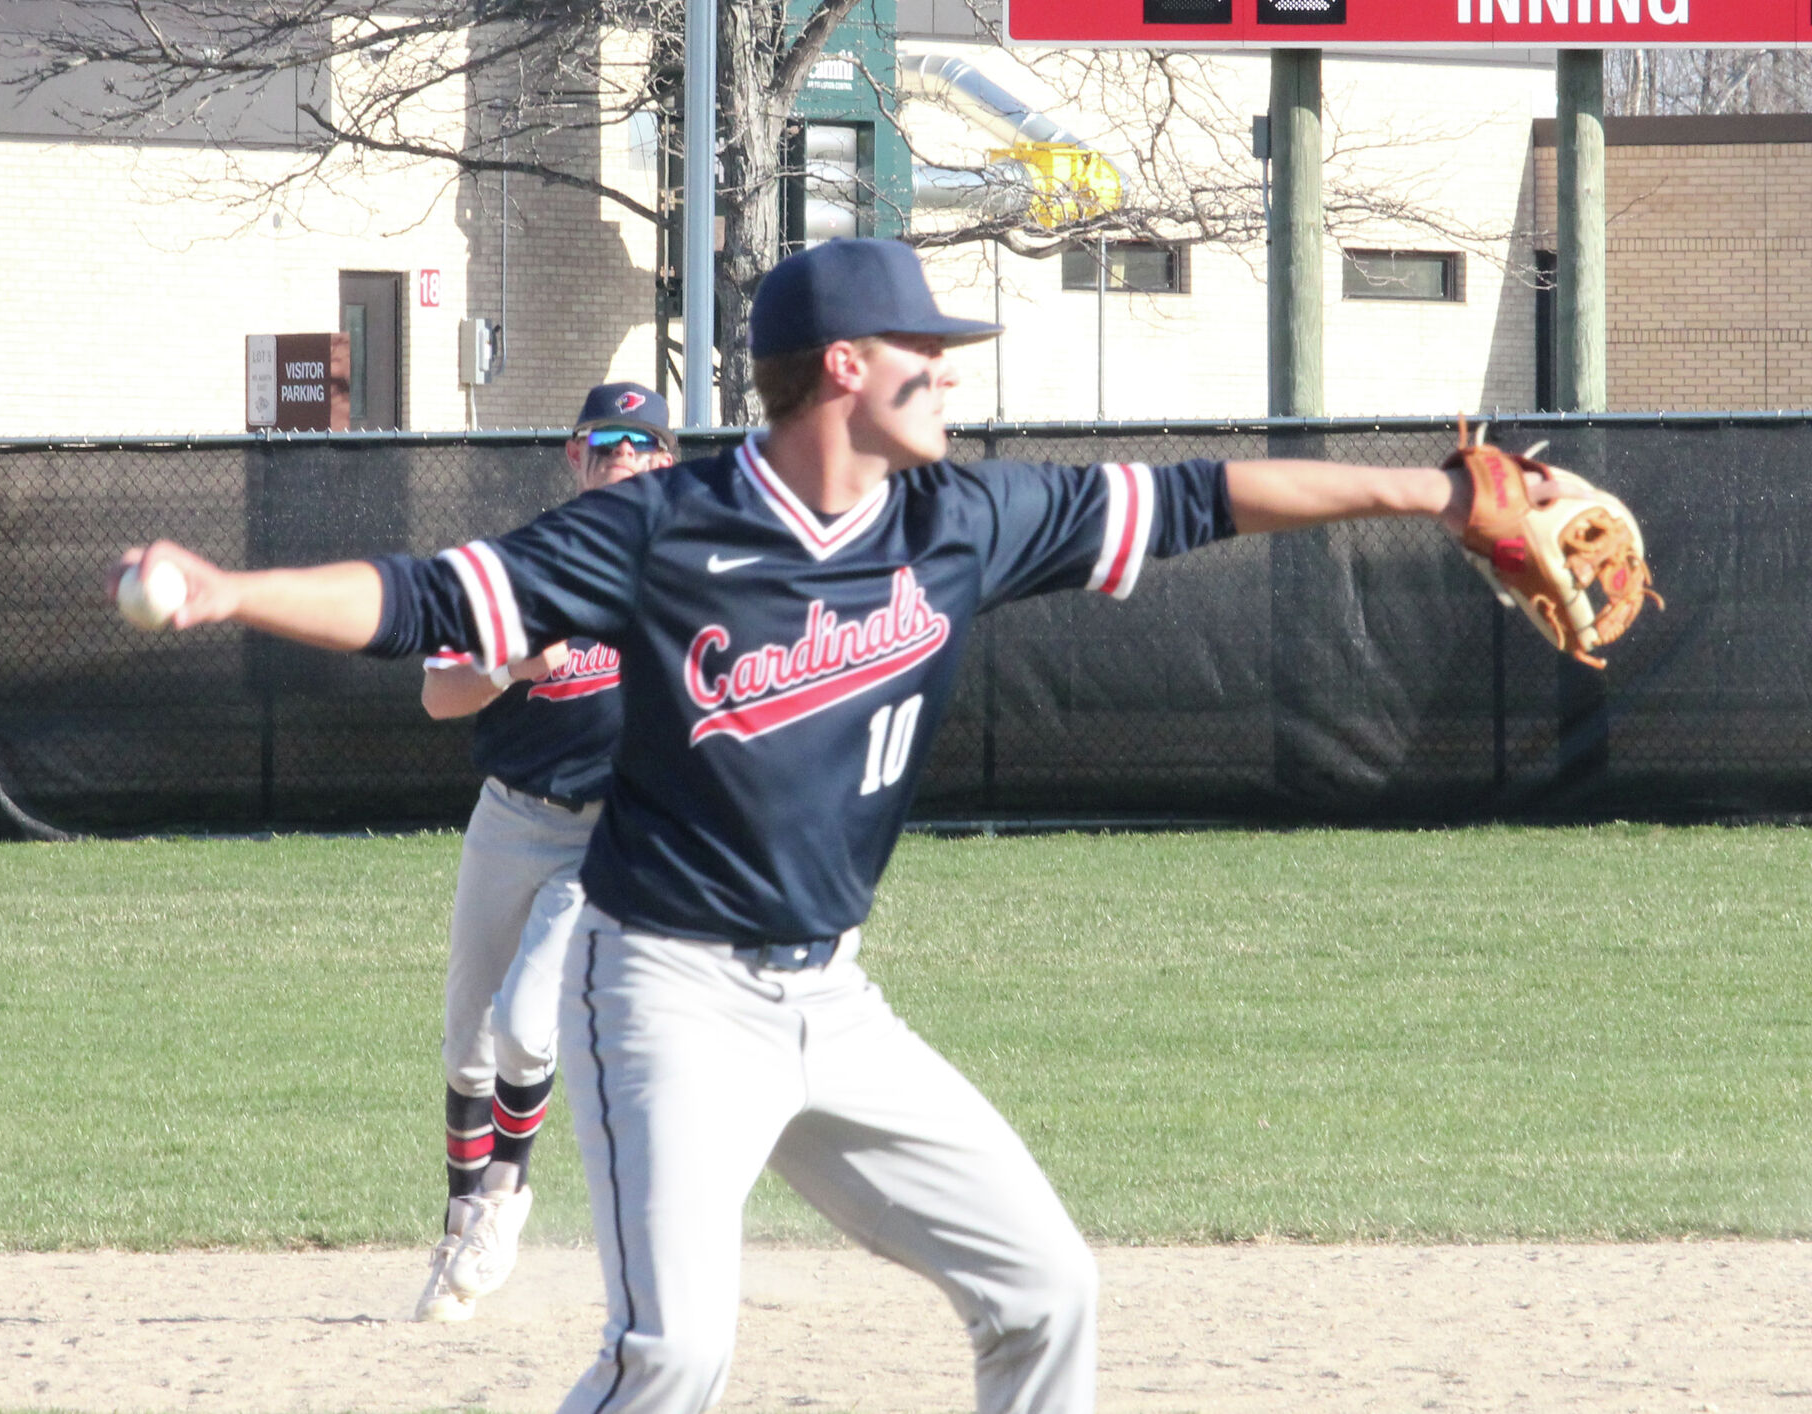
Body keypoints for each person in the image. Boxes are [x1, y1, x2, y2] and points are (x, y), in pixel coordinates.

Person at [114, 238, 1547, 1413]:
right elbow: (427, 599)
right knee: (671, 1356)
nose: (950, 374)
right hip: (665, 996)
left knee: (1047, 1291)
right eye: (926, 350)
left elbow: (1194, 499)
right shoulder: (658, 529)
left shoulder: (958, 520)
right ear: (846, 367)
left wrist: (1435, 493)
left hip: (837, 1003)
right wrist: (232, 592)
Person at [412, 383, 676, 1322]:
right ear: (575, 456)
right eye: (607, 441)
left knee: (529, 1025)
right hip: (508, 816)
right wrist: (511, 666)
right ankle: (459, 1225)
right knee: (467, 1048)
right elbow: (438, 696)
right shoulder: (522, 565)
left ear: (666, 462)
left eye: (643, 443)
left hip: (604, 835)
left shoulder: (686, 575)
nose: (624, 456)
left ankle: (503, 1199)